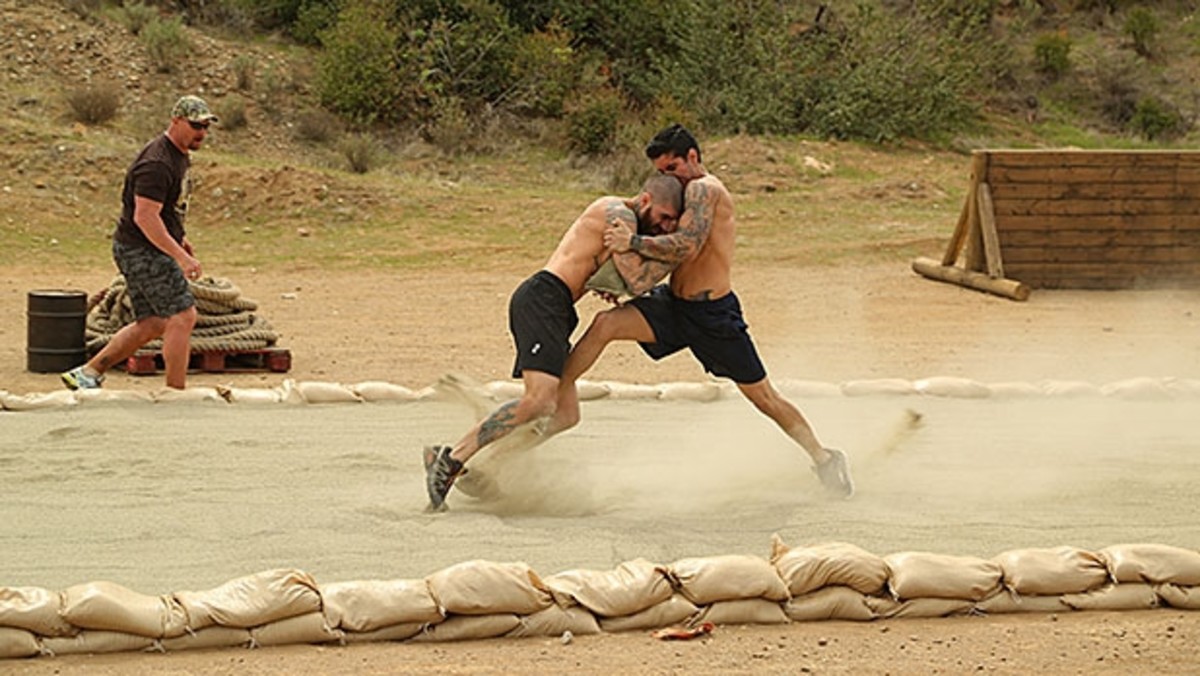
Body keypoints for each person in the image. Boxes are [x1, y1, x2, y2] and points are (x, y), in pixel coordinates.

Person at [547, 123, 855, 498]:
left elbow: (688, 247)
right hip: (674, 305)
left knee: (763, 398)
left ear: (692, 157)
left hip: (713, 315)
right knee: (605, 324)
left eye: (672, 168)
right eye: (661, 172)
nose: (667, 177)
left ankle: (823, 458)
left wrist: (633, 241)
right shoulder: (682, 193)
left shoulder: (704, 189)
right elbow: (664, 255)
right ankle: (557, 391)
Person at [424, 175, 685, 510]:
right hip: (542, 299)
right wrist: (679, 251)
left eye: (672, 223)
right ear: (646, 199)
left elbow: (621, 275)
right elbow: (637, 279)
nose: (664, 227)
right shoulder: (618, 213)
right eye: (664, 217)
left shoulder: (631, 230)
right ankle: (450, 459)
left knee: (565, 414)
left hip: (559, 308)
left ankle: (483, 466)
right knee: (539, 400)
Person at [60, 95, 216, 392]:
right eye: (196, 125)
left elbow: (166, 209)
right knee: (182, 316)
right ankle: (175, 393)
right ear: (176, 121)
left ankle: (88, 373)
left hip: (144, 247)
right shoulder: (157, 162)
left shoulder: (179, 154)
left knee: (154, 321)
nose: (202, 133)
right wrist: (180, 257)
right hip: (141, 249)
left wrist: (180, 239)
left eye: (206, 126)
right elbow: (145, 217)